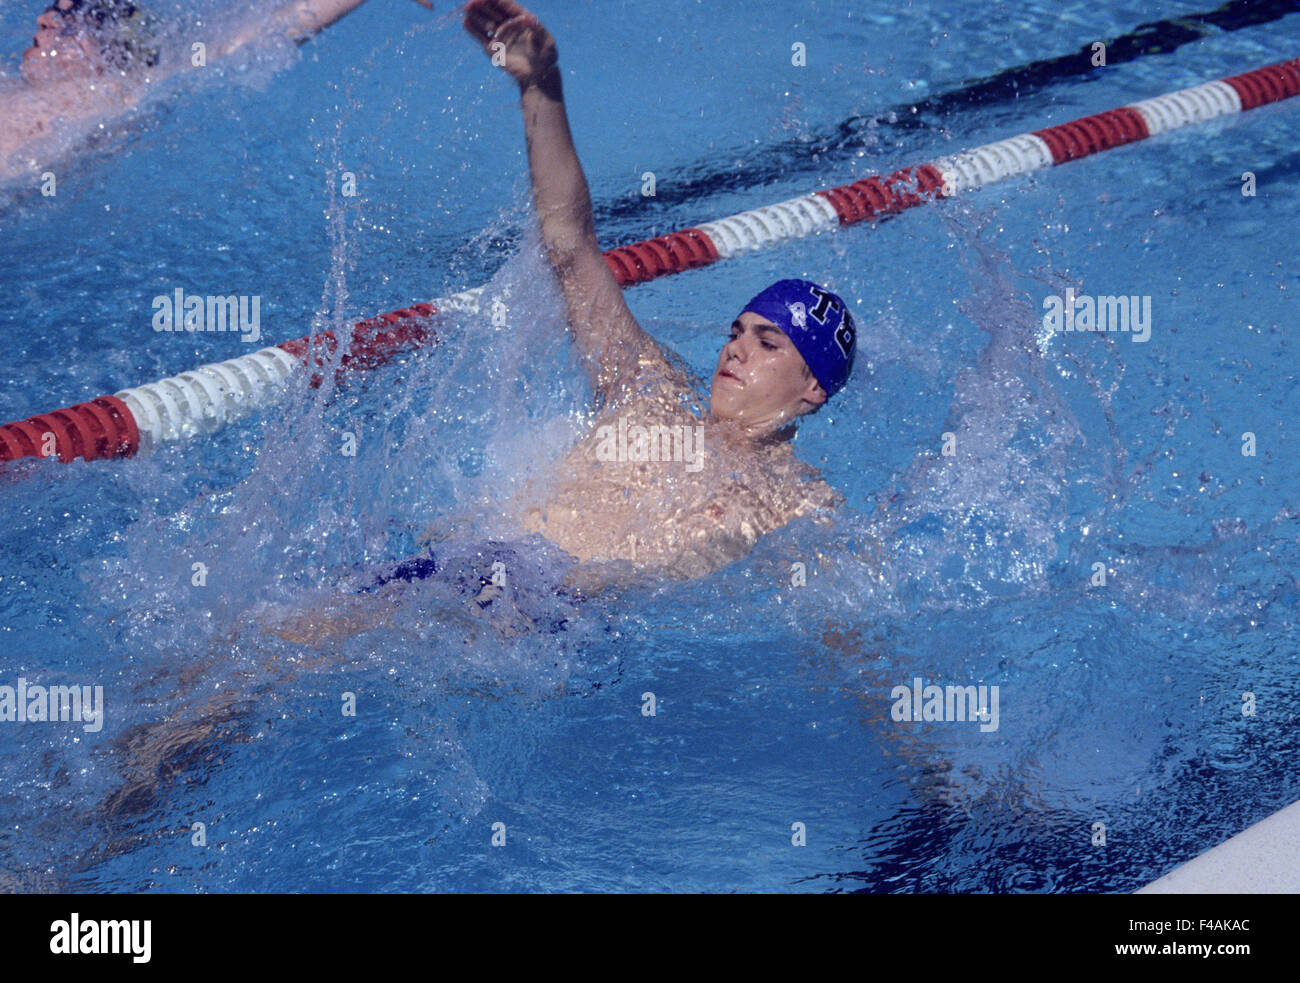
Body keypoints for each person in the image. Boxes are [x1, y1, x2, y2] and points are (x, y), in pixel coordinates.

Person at [462, 0, 856, 584]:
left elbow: (848, 629)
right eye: (737, 332)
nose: (736, 349)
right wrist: (540, 87)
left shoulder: (796, 505)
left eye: (769, 343)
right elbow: (570, 245)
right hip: (458, 574)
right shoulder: (647, 395)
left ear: (814, 387)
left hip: (552, 624)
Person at [2, 0, 424, 182]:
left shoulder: (119, 95)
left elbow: (263, 37)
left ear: (102, 49)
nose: (45, 22)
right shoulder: (15, 85)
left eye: (68, 16)